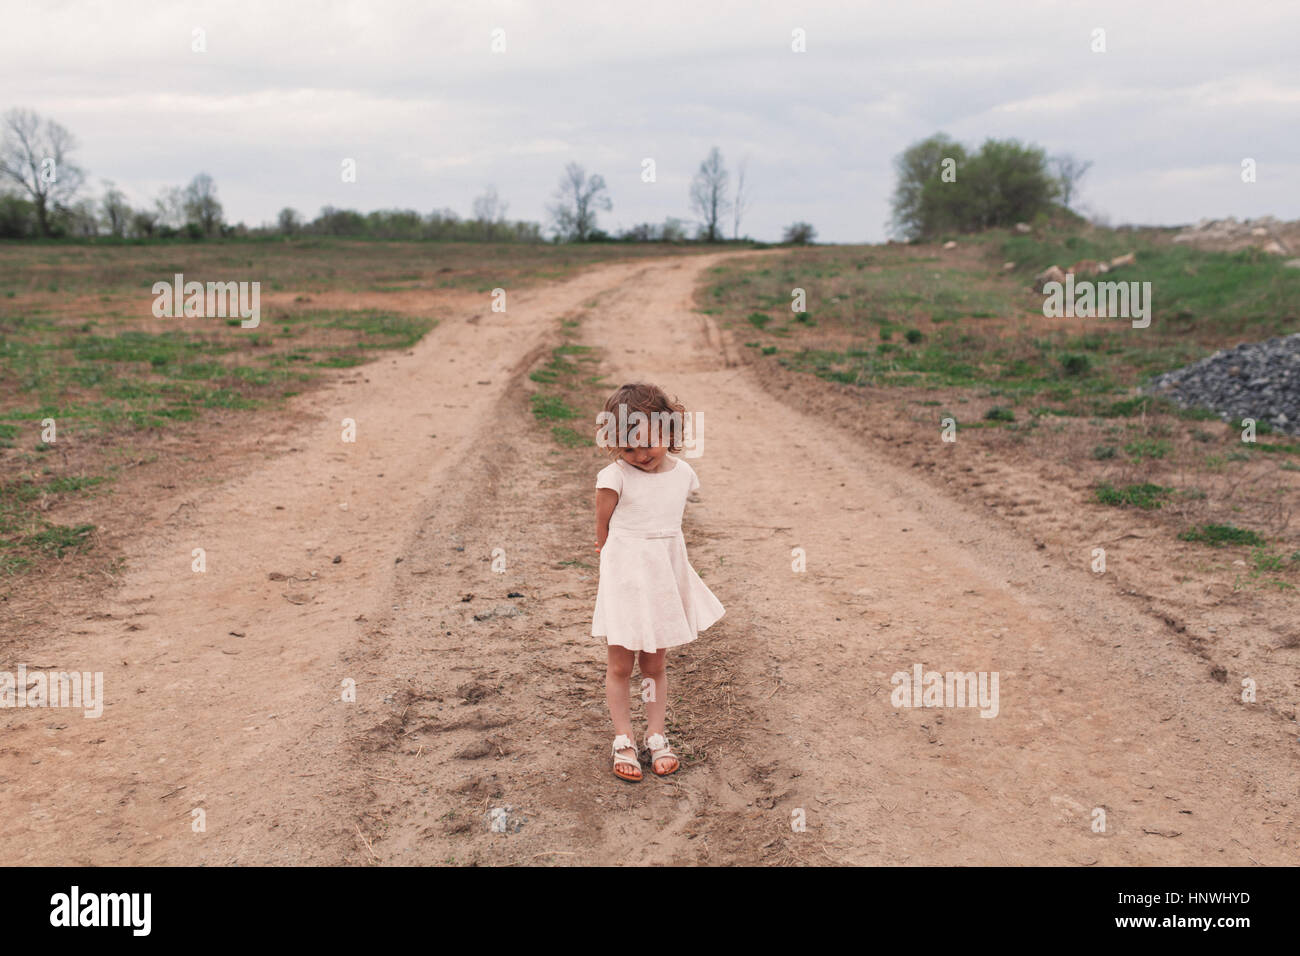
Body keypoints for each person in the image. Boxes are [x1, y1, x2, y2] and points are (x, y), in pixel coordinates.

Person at [591, 383, 723, 782]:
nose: (640, 456)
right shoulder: (613, 478)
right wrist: (613, 568)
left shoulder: (682, 473)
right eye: (627, 449)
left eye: (647, 444)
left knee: (654, 663)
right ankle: (623, 739)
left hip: (662, 578)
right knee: (620, 664)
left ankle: (656, 735)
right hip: (626, 579)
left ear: (669, 430)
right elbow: (603, 532)